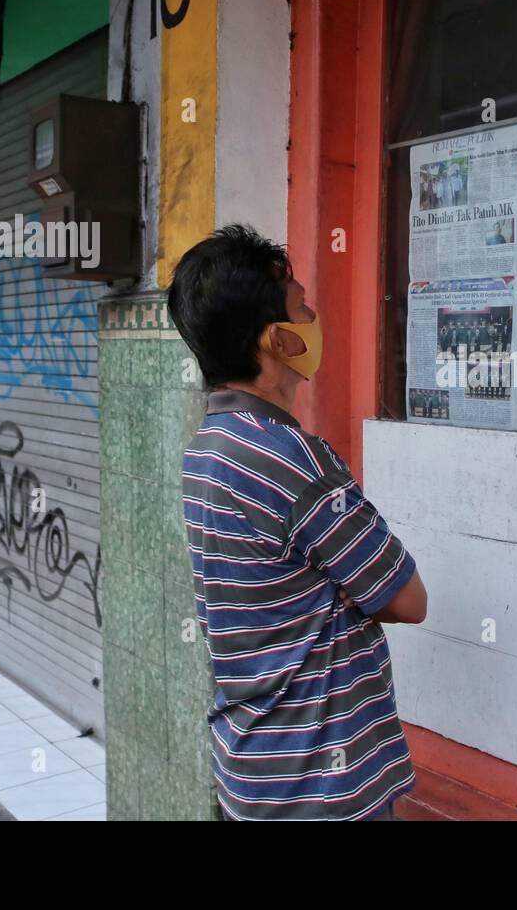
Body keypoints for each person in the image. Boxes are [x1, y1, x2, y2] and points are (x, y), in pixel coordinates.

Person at [168, 225, 427, 822]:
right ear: (277, 340)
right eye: (302, 306)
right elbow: (409, 600)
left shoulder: (207, 447)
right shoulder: (293, 459)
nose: (315, 317)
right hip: (320, 791)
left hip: (254, 774)